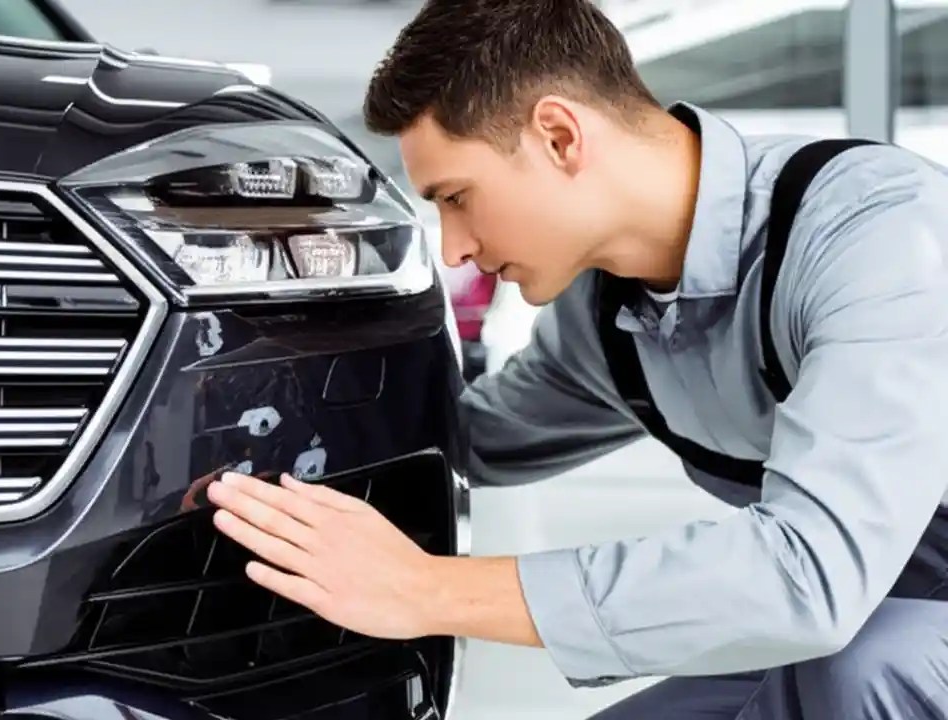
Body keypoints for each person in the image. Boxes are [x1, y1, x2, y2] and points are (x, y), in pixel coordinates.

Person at [201, 0, 948, 717]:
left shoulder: (874, 232)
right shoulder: (607, 319)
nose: (455, 246)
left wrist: (426, 589)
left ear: (559, 136)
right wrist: (246, 414)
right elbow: (471, 437)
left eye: (457, 197)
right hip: (879, 617)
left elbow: (809, 581)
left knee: (867, 675)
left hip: (869, 627)